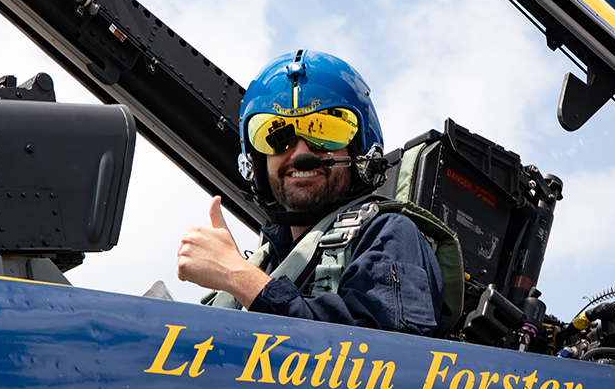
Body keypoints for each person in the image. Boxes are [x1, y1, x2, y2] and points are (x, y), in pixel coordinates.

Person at [177, 49, 451, 337]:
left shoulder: (391, 235)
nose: (300, 154)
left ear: (359, 149)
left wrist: (236, 274)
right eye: (276, 134)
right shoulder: (267, 263)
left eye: (323, 130)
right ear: (257, 161)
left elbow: (381, 365)